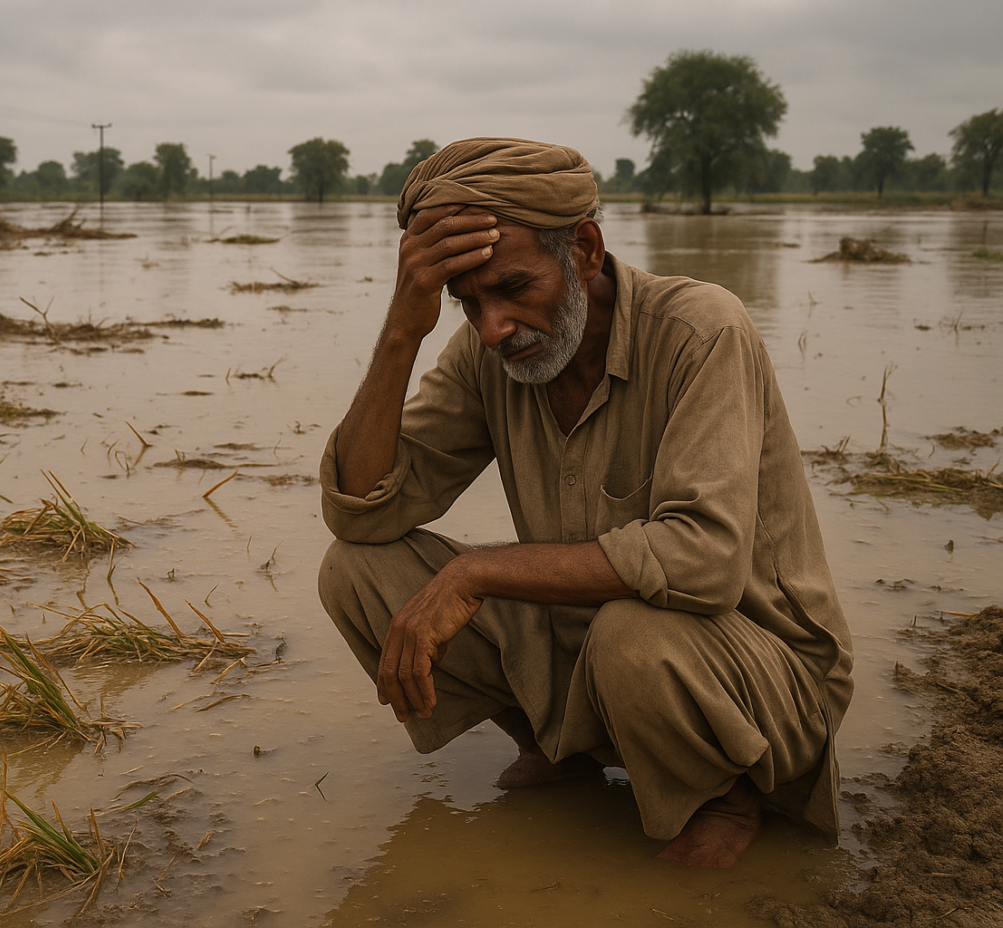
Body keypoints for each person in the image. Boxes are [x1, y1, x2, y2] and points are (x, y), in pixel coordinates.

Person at [317, 138, 853, 868]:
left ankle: (725, 791)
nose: (494, 328)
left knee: (631, 635)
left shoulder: (701, 329)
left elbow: (705, 561)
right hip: (598, 647)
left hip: (756, 672)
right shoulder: (486, 355)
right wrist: (403, 331)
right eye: (467, 304)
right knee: (356, 569)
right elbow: (361, 511)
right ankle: (553, 748)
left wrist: (473, 572)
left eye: (512, 287)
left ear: (587, 251)